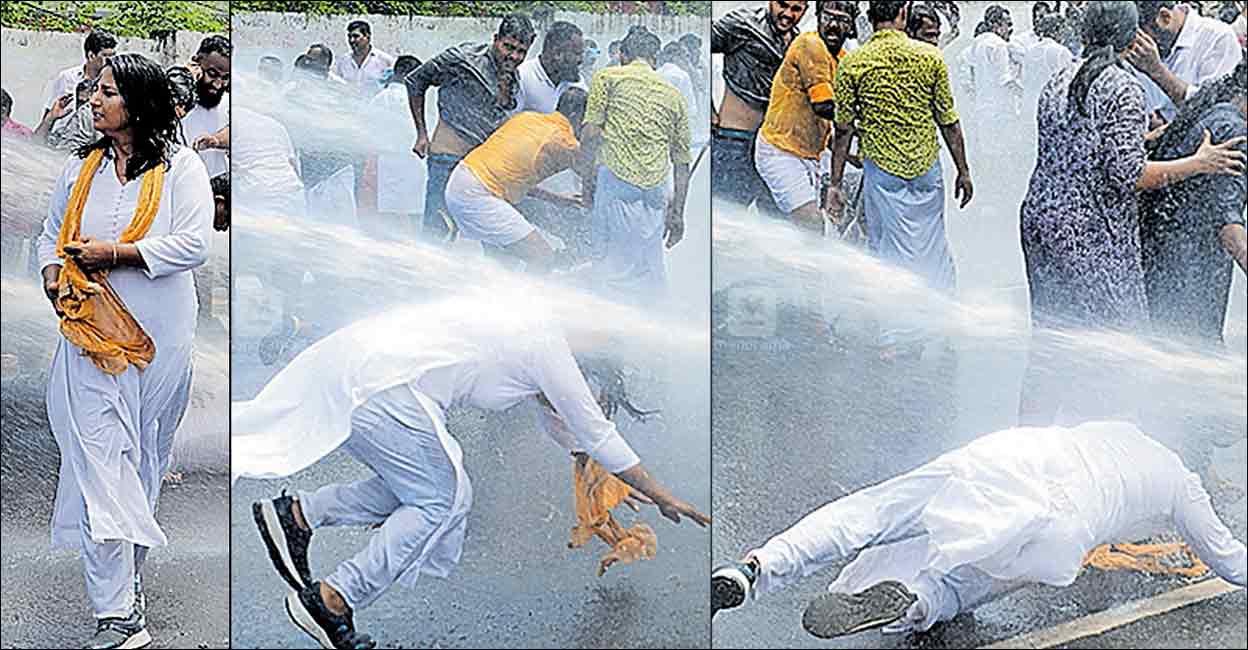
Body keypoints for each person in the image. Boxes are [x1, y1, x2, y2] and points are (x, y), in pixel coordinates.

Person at [236, 297, 710, 650]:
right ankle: (331, 599)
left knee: (426, 488)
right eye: (595, 399)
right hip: (382, 387)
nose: (580, 408)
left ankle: (297, 514)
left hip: (371, 379)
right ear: (589, 376)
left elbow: (575, 433)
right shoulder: (549, 346)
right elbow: (594, 431)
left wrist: (603, 477)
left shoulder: (535, 342)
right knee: (442, 498)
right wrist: (662, 495)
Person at [712, 421, 1246, 638]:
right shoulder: (1183, 483)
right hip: (1063, 528)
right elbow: (1229, 561)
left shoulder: (1118, 428)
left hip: (1003, 460)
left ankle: (756, 568)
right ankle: (914, 602)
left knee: (873, 513)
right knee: (961, 583)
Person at [35, 53, 213, 650]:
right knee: (99, 462)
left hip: (160, 339)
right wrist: (50, 273)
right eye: (95, 91)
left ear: (136, 104)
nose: (94, 100)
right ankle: (114, 614)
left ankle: (126, 585)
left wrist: (117, 254)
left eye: (106, 93)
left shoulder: (180, 168)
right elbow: (49, 233)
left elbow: (194, 243)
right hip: (87, 337)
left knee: (141, 463)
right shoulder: (79, 167)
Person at [1018, 1, 1245, 425]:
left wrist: (1147, 135)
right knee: (1114, 338)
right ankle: (1105, 445)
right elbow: (1127, 174)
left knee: (1053, 335)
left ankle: (1030, 438)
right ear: (1132, 37)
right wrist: (1200, 163)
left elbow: (1080, 143)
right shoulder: (1122, 86)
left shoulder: (1060, 77)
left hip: (1040, 219)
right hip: (1089, 229)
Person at [827, 0, 973, 359]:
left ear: (868, 19)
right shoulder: (930, 58)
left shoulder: (853, 63)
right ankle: (938, 322)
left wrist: (834, 182)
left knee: (887, 251)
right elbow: (948, 121)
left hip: (883, 173)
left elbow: (843, 130)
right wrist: (964, 170)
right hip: (926, 169)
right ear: (903, 16)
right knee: (932, 245)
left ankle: (894, 335)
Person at [579, 26, 692, 300]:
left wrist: (587, 182)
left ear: (622, 55)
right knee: (647, 262)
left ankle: (613, 326)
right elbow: (682, 163)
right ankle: (657, 321)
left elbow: (591, 134)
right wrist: (677, 214)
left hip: (617, 181)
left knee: (610, 262)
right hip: (656, 191)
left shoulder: (606, 78)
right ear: (655, 59)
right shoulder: (673, 95)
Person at [1141, 58, 1248, 345]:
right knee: (1198, 349)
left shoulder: (1214, 109)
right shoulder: (1233, 132)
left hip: (1163, 256)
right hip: (1192, 269)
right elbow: (1227, 219)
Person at [404, 13, 536, 241]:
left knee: (493, 237)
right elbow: (415, 80)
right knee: (438, 232)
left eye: (521, 51)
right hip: (448, 161)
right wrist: (422, 134)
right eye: (508, 47)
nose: (514, 56)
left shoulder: (513, 77)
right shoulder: (463, 58)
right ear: (496, 39)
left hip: (482, 170)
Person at [445, 88, 588, 272]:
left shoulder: (527, 118)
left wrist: (557, 198)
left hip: (462, 178)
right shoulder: (564, 143)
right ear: (577, 115)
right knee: (542, 256)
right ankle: (522, 300)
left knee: (503, 262)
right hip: (478, 194)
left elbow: (512, 176)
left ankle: (491, 295)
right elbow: (591, 174)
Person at [755, 1, 857, 233]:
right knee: (812, 223)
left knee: (807, 229)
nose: (833, 25)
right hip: (780, 152)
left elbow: (825, 123)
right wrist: (865, 124)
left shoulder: (842, 58)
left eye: (841, 20)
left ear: (851, 26)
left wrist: (850, 155)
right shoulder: (809, 44)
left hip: (810, 155)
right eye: (827, 17)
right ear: (818, 17)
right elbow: (824, 107)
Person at [711, 1, 808, 217]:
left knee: (777, 226)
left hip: (774, 149)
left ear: (805, 10)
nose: (787, 14)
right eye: (782, 5)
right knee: (725, 219)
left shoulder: (797, 41)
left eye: (796, 9)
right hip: (733, 142)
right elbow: (699, 41)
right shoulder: (743, 23)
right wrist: (707, 109)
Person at [1129, 0, 1242, 122]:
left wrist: (1157, 70)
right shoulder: (1149, 46)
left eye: (1145, 35)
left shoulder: (1218, 38)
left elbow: (1211, 109)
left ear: (1165, 17)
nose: (1141, 43)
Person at [369, 55, 425, 236]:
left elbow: (369, 129)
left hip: (389, 162)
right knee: (416, 210)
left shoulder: (380, 99)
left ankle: (393, 248)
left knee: (391, 212)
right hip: (416, 160)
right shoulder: (420, 100)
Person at [967, 5, 1023, 155]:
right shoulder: (998, 45)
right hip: (1001, 113)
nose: (1011, 29)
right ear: (996, 25)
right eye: (1008, 24)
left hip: (982, 110)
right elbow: (1005, 80)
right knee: (1004, 156)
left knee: (988, 155)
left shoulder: (977, 43)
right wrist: (1026, 94)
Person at [182, 35, 231, 178]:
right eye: (212, 74)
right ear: (195, 63)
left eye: (225, 77)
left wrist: (215, 140)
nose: (218, 84)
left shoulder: (229, 102)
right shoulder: (175, 99)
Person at [41, 30, 116, 123]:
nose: (111, 61)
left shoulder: (113, 82)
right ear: (91, 56)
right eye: (105, 56)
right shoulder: (67, 77)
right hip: (60, 135)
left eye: (113, 56)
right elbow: (50, 111)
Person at [516, 21, 585, 114]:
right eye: (576, 54)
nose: (580, 60)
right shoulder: (523, 77)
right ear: (557, 53)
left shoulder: (577, 82)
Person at [1021, 14, 1076, 126]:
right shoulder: (1060, 51)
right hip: (1049, 108)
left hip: (1028, 106)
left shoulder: (1030, 50)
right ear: (1057, 30)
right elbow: (1069, 82)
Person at [334, 20, 395, 97]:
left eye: (356, 36)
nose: (351, 40)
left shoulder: (385, 61)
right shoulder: (343, 61)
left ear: (368, 37)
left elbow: (390, 88)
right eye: (349, 37)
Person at [658, 42, 698, 139]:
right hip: (677, 129)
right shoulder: (682, 76)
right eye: (685, 56)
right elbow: (690, 109)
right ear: (676, 57)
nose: (687, 60)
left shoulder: (656, 73)